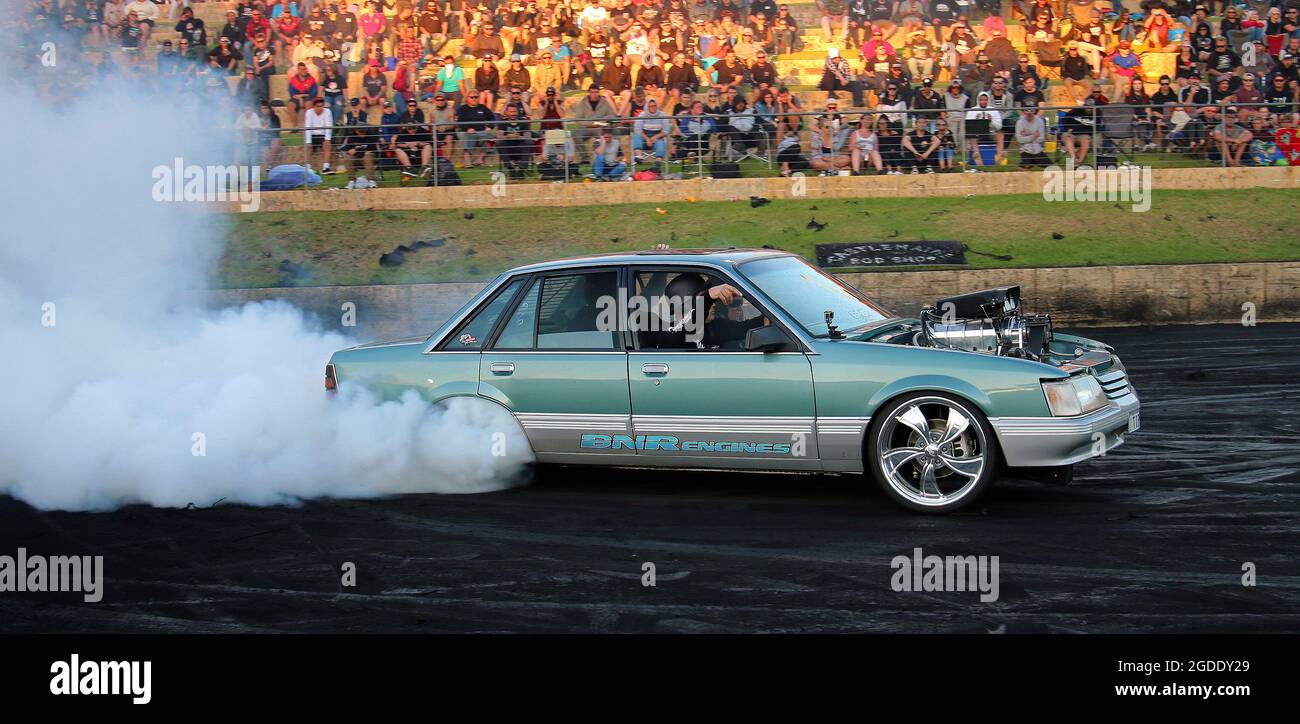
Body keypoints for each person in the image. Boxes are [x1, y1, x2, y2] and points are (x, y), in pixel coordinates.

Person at [455, 92, 496, 167]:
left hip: (481, 132)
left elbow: (492, 118)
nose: (474, 99)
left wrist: (489, 126)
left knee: (492, 138)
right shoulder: (462, 109)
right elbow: (459, 122)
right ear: (467, 98)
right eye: (472, 97)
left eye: (476, 97)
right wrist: (467, 129)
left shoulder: (482, 107)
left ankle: (479, 159)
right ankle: (467, 161)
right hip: (466, 132)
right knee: (468, 136)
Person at [632, 98, 670, 163]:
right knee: (636, 136)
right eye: (650, 106)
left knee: (661, 143)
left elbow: (666, 130)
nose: (653, 107)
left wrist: (656, 137)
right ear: (647, 107)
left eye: (654, 105)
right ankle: (639, 156)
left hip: (656, 139)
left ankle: (657, 164)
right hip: (643, 139)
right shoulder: (642, 114)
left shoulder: (662, 115)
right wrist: (647, 139)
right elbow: (637, 129)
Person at [303, 97, 335, 173]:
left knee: (327, 145)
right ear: (314, 106)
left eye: (322, 106)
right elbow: (308, 127)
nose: (320, 108)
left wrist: (327, 139)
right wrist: (308, 142)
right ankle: (307, 168)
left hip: (323, 134)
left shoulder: (327, 111)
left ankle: (326, 167)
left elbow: (328, 125)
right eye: (318, 106)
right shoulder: (309, 112)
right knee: (308, 147)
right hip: (312, 134)